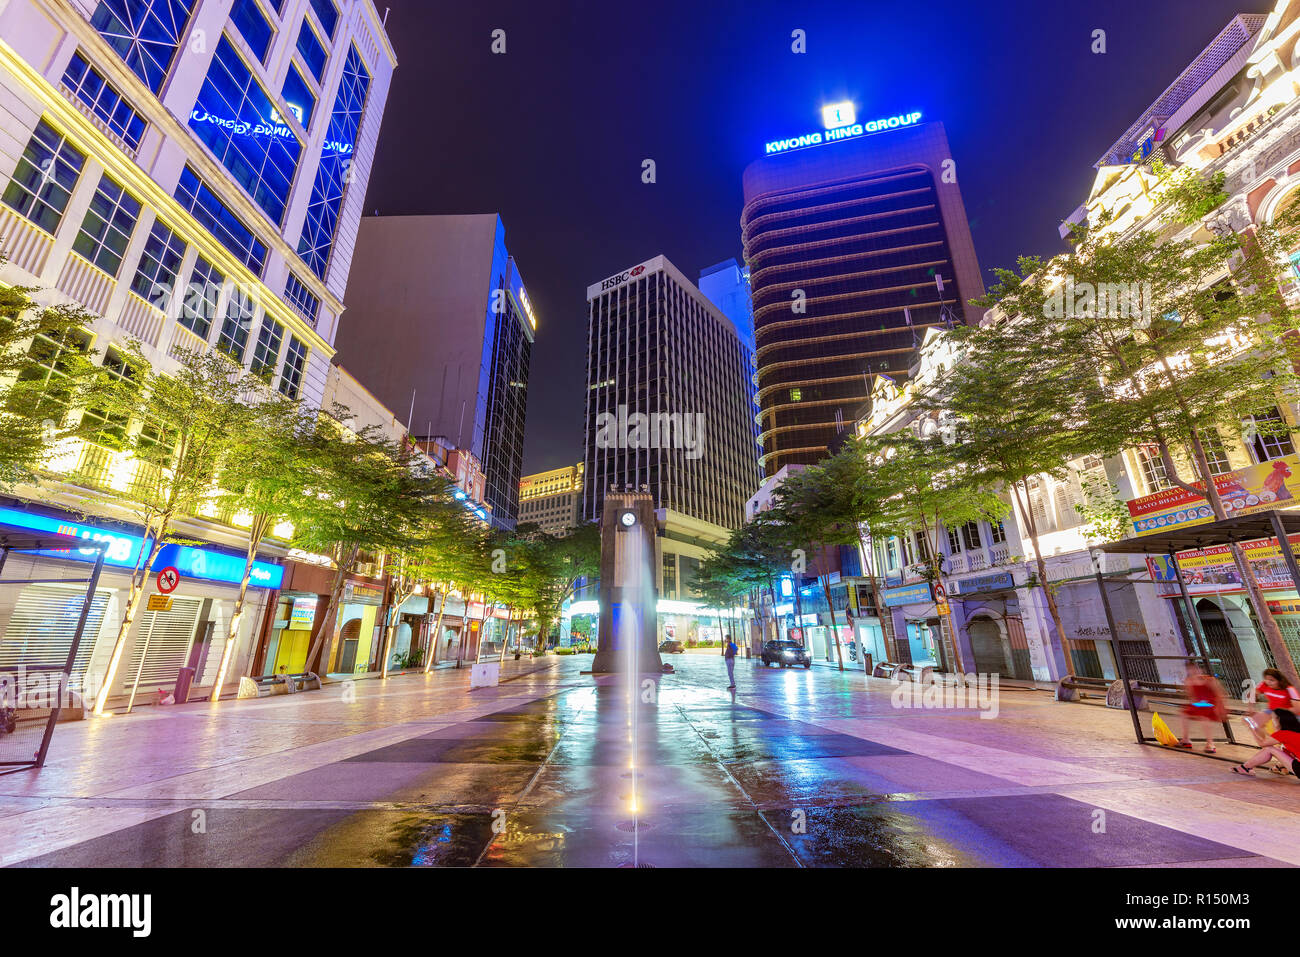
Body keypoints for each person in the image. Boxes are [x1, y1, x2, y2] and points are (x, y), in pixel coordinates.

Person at [1245, 668, 1299, 772]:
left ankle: (1278, 756)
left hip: (1288, 714)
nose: (1268, 682)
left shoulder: (1289, 689)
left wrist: (1280, 714)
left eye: (1272, 680)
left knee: (1285, 738)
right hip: (1272, 711)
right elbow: (1253, 693)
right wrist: (1251, 709)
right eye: (1266, 679)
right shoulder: (1264, 684)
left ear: (1279, 680)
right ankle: (1268, 748)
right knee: (1254, 722)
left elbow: (1297, 708)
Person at [1234, 706, 1300, 779]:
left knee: (1270, 749)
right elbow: (1270, 739)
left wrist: (1251, 728)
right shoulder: (1294, 731)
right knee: (1280, 749)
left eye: (1273, 719)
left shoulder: (1283, 734)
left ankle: (1245, 768)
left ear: (1279, 721)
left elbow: (1262, 743)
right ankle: (1279, 767)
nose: (1271, 722)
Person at [1179, 660, 1226, 754]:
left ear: (1200, 669)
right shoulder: (1189, 681)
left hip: (1211, 704)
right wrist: (1194, 706)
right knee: (1183, 713)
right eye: (1190, 669)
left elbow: (1219, 694)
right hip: (1200, 704)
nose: (1193, 671)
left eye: (1195, 669)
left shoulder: (1209, 680)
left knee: (1204, 716)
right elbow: (1192, 696)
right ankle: (1186, 739)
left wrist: (1220, 708)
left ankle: (1210, 743)